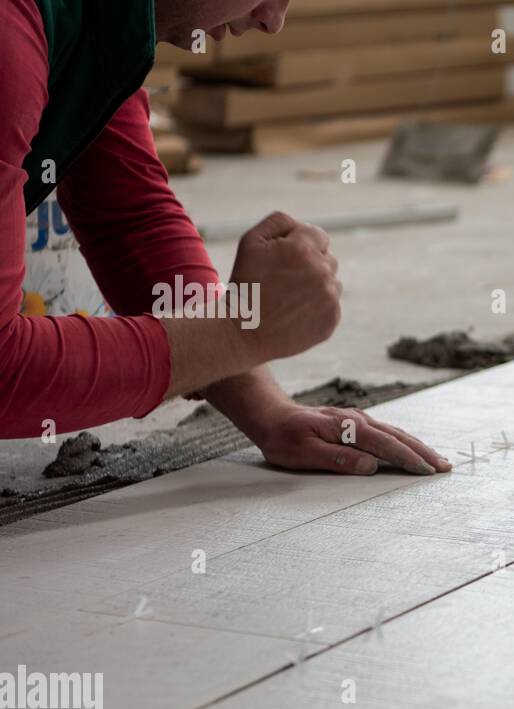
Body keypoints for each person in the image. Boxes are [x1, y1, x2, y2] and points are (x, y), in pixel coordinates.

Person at [1, 0, 453, 476]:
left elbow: (129, 216)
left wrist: (267, 410)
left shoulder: (105, 21)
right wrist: (238, 332)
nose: (272, 20)